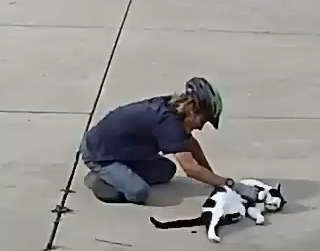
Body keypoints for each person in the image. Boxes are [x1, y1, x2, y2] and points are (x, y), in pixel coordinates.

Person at [80, 77, 238, 204]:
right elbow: (190, 168)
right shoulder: (169, 124)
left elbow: (191, 145)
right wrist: (227, 183)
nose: (201, 127)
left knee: (166, 170)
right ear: (193, 110)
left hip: (121, 149)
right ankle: (100, 176)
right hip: (98, 153)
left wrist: (212, 177)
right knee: (138, 192)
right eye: (202, 121)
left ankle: (119, 173)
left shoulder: (175, 109)